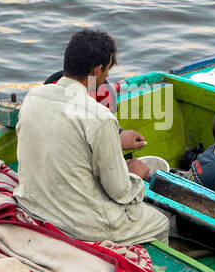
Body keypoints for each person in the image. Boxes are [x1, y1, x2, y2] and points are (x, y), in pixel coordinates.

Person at [14, 29, 170, 246]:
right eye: (107, 70)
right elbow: (120, 192)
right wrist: (135, 174)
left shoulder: (33, 97)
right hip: (77, 225)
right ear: (98, 70)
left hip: (31, 206)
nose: (107, 76)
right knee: (160, 222)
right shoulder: (100, 117)